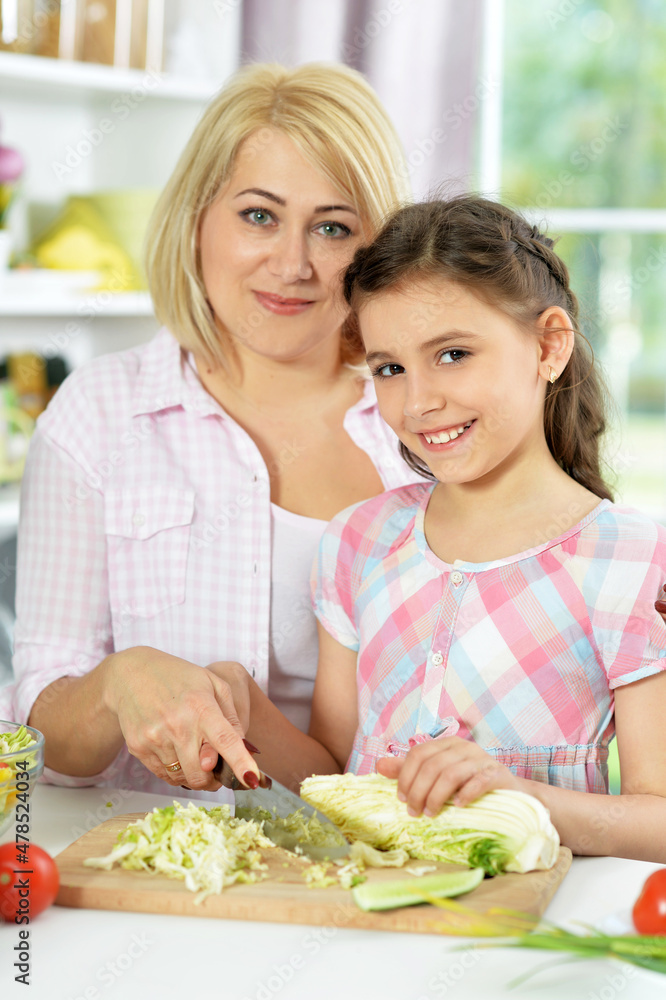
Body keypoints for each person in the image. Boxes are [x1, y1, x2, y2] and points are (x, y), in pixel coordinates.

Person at [6, 62, 421, 799]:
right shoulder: (98, 415)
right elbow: (44, 731)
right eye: (258, 216)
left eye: (332, 227)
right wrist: (116, 683)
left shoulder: (424, 424)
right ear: (196, 218)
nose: (291, 265)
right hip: (143, 863)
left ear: (376, 248)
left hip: (374, 862)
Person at [222, 196, 666, 861]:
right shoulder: (359, 542)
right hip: (372, 914)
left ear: (549, 346)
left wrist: (517, 798)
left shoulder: (631, 562)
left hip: (527, 933)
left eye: (453, 353)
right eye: (390, 368)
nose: (420, 400)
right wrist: (241, 709)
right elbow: (332, 774)